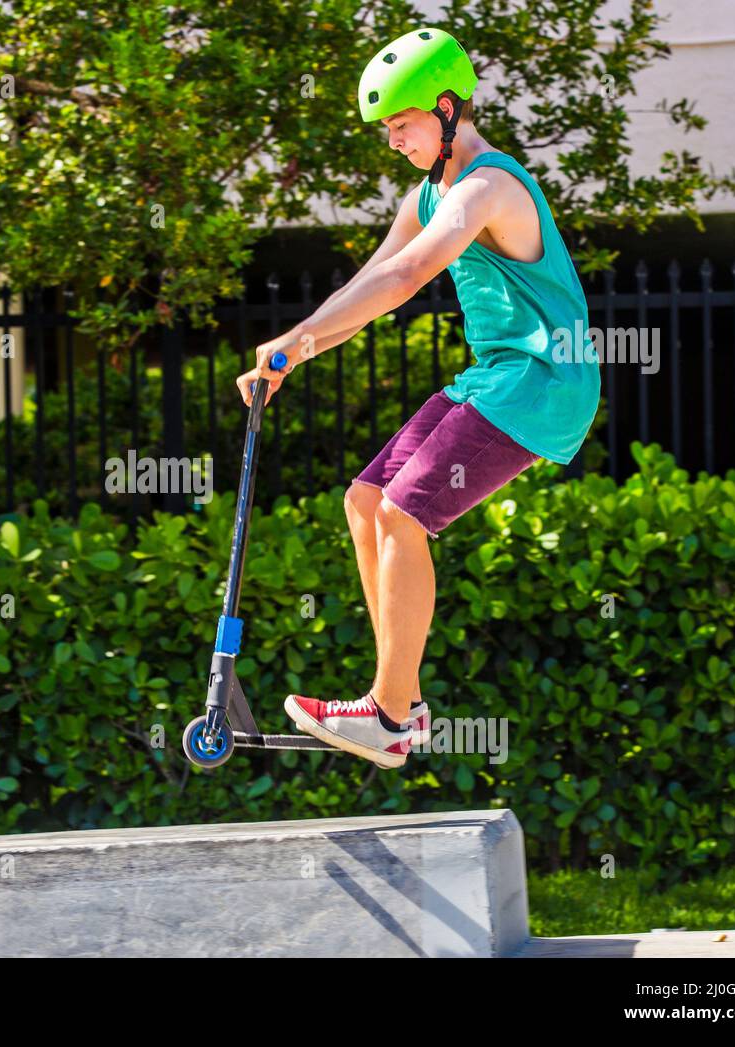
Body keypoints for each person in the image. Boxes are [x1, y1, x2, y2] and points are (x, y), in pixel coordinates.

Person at [234, 26, 600, 768]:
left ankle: (389, 713)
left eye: (401, 126)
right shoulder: (429, 192)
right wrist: (293, 349)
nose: (393, 141)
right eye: (388, 131)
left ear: (446, 107)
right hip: (495, 377)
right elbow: (370, 280)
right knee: (366, 500)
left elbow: (407, 281)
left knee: (406, 510)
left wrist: (298, 345)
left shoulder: (489, 186)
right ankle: (401, 705)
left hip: (542, 381)